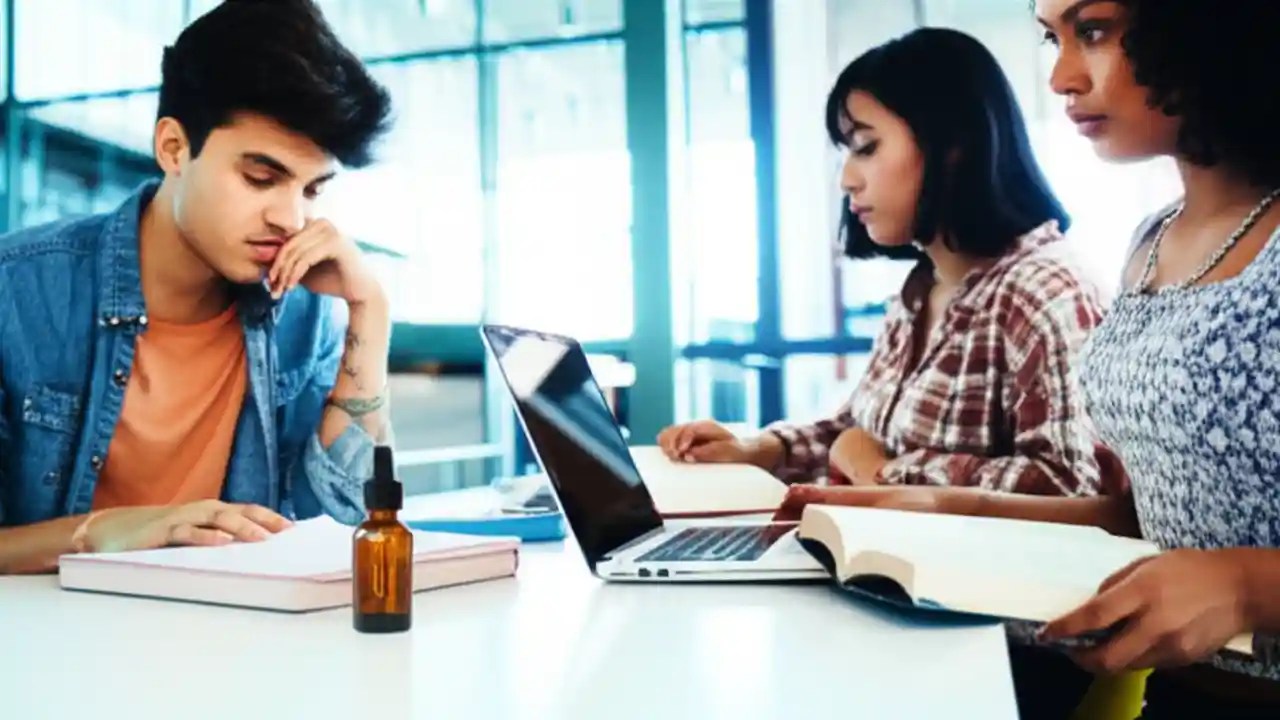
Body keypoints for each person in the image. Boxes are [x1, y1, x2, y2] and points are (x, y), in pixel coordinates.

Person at [779, 1, 1280, 716]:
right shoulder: (1153, 241)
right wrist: (944, 504)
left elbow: (1217, 560)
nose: (1062, 78)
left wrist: (1246, 587)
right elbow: (1155, 520)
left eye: (1095, 31)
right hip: (1182, 695)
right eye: (1054, 39)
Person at [0, 0, 395, 573]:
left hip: (231, 646)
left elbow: (344, 522)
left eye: (312, 191)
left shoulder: (306, 314)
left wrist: (370, 310)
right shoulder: (18, 291)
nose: (291, 219)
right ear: (173, 148)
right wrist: (99, 533)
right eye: (261, 178)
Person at [659, 28, 1120, 502]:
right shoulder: (924, 288)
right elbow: (858, 432)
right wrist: (761, 449)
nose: (847, 179)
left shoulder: (1044, 292)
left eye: (866, 147)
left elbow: (1076, 487)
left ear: (953, 144)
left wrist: (887, 473)